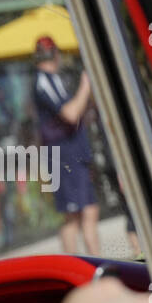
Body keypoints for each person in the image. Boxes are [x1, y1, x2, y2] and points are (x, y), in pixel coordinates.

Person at [32, 36, 100, 255]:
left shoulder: (54, 79)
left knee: (89, 211)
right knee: (73, 216)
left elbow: (75, 115)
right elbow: (70, 114)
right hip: (63, 157)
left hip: (74, 153)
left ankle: (99, 264)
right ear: (55, 55)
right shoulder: (43, 81)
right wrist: (85, 86)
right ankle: (77, 268)